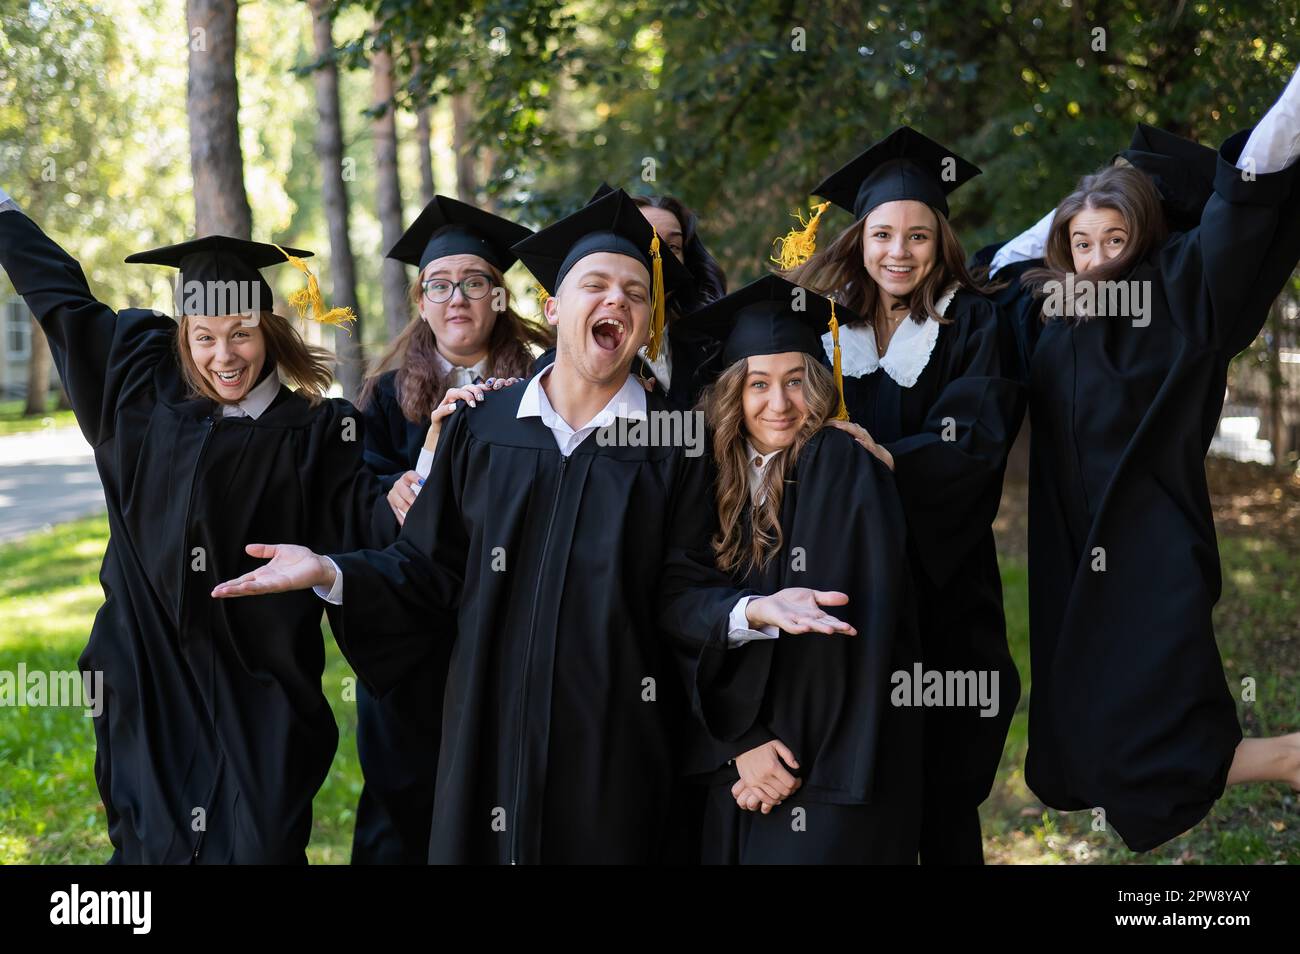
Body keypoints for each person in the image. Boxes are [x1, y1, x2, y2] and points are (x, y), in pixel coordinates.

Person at [211, 187, 859, 864]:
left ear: (648, 321)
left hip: (614, 740)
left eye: (636, 293)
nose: (617, 302)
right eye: (596, 286)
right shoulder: (483, 428)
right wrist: (334, 571)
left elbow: (680, 589)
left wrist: (749, 610)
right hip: (490, 729)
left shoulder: (676, 445)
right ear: (553, 309)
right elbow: (428, 568)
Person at [0, 186, 389, 862]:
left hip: (262, 686)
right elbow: (61, 299)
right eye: (204, 337)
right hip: (147, 674)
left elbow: (367, 521)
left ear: (268, 329)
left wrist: (415, 485)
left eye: (241, 334)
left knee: (260, 844)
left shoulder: (316, 432)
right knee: (155, 846)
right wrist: (5, 215)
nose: (224, 356)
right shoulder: (138, 392)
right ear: (183, 333)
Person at [985, 64, 1300, 852]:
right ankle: (1288, 758)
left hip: (1152, 549)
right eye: (1080, 244)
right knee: (1082, 733)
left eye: (1113, 241)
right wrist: (1091, 201)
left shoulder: (1179, 299)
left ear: (1145, 242)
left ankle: (1286, 758)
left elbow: (1248, 188)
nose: (1094, 260)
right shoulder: (1046, 312)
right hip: (1067, 553)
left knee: (1152, 725)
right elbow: (992, 269)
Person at [779, 127, 1024, 864]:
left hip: (942, 579)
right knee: (861, 772)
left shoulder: (973, 318)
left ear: (940, 241)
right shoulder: (819, 327)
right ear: (858, 240)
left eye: (918, 235)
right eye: (883, 233)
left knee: (944, 785)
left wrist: (890, 456)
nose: (899, 251)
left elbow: (981, 430)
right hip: (841, 576)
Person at [683, 273, 924, 863]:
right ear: (732, 394)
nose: (779, 403)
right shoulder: (709, 476)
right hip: (740, 764)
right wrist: (741, 745)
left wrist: (771, 753)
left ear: (818, 385)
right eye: (758, 384)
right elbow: (678, 603)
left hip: (824, 764)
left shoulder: (840, 462)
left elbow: (846, 631)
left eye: (796, 382)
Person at [349, 196, 549, 864]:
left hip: (507, 613)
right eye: (440, 284)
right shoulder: (383, 393)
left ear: (498, 294)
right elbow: (355, 491)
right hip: (415, 624)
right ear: (421, 297)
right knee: (403, 787)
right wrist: (388, 491)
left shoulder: (545, 381)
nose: (456, 297)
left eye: (473, 282)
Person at [535, 185, 727, 409]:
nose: (660, 258)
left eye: (672, 246)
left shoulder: (709, 349)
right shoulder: (554, 369)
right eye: (647, 241)